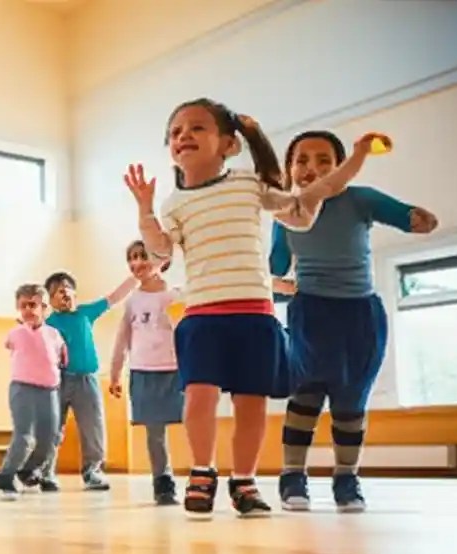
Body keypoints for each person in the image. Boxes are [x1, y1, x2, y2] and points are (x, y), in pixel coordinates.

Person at [124, 98, 382, 518]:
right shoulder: (173, 204)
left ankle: (244, 480)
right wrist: (144, 209)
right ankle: (202, 471)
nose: (183, 136)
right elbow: (159, 249)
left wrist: (355, 158)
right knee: (199, 398)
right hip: (203, 316)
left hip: (255, 316)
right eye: (175, 132)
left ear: (228, 144)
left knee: (251, 404)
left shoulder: (246, 183)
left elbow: (305, 206)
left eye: (196, 128)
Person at [269, 130, 438, 513]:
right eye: (302, 160)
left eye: (324, 160)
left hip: (360, 315)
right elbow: (275, 270)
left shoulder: (360, 198)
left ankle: (347, 478)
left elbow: (406, 217)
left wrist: (417, 219)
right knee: (305, 397)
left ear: (342, 167)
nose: (312, 168)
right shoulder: (285, 214)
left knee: (351, 403)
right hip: (310, 312)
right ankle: (292, 476)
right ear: (290, 169)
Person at [35, 270, 136, 491]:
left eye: (66, 289)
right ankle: (46, 471)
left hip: (87, 380)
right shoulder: (48, 324)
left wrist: (136, 277)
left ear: (75, 293)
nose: (63, 295)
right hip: (58, 381)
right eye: (57, 292)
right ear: (50, 301)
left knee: (93, 426)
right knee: (52, 427)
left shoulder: (85, 313)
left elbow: (115, 297)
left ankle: (93, 470)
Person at [109, 240, 182, 505]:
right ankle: (162, 481)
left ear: (162, 260)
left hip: (174, 371)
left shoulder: (174, 296)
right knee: (154, 431)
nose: (137, 263)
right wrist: (115, 371)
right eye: (132, 258)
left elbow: (186, 335)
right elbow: (122, 338)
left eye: (143, 257)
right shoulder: (133, 301)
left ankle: (202, 473)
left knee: (190, 422)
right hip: (143, 371)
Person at [0, 283, 66, 500]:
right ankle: (6, 476)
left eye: (33, 305)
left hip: (50, 391)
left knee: (50, 436)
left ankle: (29, 469)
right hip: (22, 389)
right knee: (24, 436)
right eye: (23, 306)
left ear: (44, 308)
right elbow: (10, 345)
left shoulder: (54, 335)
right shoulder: (15, 333)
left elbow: (61, 358)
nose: (28, 310)